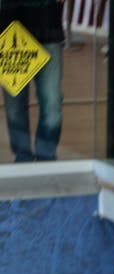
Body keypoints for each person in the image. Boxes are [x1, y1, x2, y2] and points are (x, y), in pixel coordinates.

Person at [0, 0, 64, 161]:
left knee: (52, 104)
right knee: (15, 107)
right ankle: (23, 157)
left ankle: (46, 156)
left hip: (47, 25)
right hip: (9, 26)